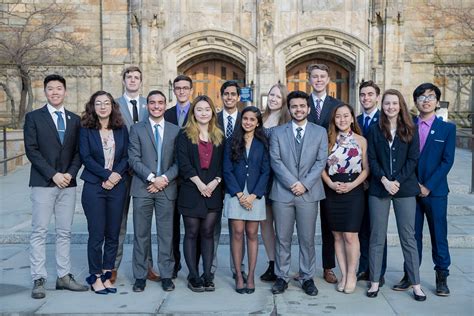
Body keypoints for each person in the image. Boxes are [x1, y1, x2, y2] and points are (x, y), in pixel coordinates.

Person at [24, 74, 88, 299]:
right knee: (39, 231)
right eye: (50, 89)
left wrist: (69, 174)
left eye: (59, 88)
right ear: (45, 92)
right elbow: (32, 150)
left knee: (64, 232)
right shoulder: (34, 117)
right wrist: (53, 174)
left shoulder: (74, 119)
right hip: (43, 182)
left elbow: (79, 152)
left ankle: (64, 276)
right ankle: (38, 278)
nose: (55, 92)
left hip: (68, 185)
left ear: (65, 91)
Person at [392, 83, 456, 296]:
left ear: (437, 102)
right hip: (411, 191)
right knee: (412, 236)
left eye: (430, 97)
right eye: (421, 97)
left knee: (439, 235)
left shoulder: (448, 128)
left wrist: (428, 186)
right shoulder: (407, 126)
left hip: (435, 192)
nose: (426, 100)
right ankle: (410, 274)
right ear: (415, 101)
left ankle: (442, 276)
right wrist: (414, 184)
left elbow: (447, 161)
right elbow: (403, 159)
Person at [366, 89, 426, 301]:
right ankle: (374, 282)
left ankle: (416, 284)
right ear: (382, 106)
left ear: (400, 105)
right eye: (387, 103)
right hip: (379, 187)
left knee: (408, 236)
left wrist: (397, 181)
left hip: (405, 188)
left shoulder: (411, 129)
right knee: (376, 236)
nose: (390, 107)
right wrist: (384, 180)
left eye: (394, 103)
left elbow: (413, 159)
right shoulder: (374, 130)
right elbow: (371, 159)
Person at [270, 90, 328, 296]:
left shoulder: (320, 132)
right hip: (282, 194)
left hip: (308, 193)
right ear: (289, 108)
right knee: (282, 238)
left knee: (307, 238)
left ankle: (307, 277)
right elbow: (275, 160)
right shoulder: (278, 132)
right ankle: (282, 277)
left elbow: (321, 161)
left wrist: (304, 184)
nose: (298, 109)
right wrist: (292, 183)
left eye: (302, 106)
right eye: (294, 106)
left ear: (308, 108)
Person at [129, 90, 180, 293]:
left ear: (165, 105)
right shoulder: (136, 129)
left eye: (160, 103)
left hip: (167, 189)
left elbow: (179, 162)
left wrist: (164, 179)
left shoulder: (175, 130)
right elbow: (133, 158)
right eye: (152, 103)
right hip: (142, 188)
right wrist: (152, 178)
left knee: (166, 234)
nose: (156, 106)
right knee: (141, 234)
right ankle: (140, 275)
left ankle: (166, 274)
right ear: (147, 105)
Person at [79, 91, 129, 294]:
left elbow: (126, 155)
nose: (102, 106)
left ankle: (108, 274)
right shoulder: (86, 129)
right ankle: (96, 276)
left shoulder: (121, 128)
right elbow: (86, 156)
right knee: (96, 233)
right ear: (93, 107)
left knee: (113, 234)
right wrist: (106, 175)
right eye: (98, 103)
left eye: (106, 103)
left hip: (117, 187)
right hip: (94, 187)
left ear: (112, 106)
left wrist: (116, 174)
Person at [113, 66, 157, 284]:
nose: (132, 80)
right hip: (121, 170)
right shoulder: (114, 105)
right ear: (123, 80)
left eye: (136, 77)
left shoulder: (149, 104)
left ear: (141, 81)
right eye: (129, 77)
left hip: (143, 172)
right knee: (118, 222)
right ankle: (112, 266)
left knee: (144, 223)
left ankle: (147, 265)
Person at [177, 95, 224, 292]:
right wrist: (199, 183)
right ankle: (194, 276)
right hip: (191, 190)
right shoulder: (184, 135)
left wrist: (214, 183)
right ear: (193, 113)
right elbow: (184, 163)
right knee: (192, 232)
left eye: (207, 109)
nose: (203, 113)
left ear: (212, 112)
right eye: (199, 109)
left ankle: (207, 275)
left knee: (207, 233)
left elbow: (223, 164)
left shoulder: (220, 136)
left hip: (213, 190)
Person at [321, 104, 368, 294]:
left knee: (350, 235)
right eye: (338, 116)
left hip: (354, 190)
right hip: (332, 190)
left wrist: (352, 185)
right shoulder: (328, 140)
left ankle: (352, 274)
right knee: (337, 236)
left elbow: (366, 169)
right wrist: (331, 185)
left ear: (352, 118)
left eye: (346, 116)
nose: (342, 119)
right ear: (334, 119)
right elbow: (320, 168)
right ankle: (343, 274)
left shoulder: (361, 140)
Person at [223, 106, 271, 294]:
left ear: (258, 122)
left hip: (255, 194)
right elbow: (226, 169)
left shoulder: (263, 142)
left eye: (252, 119)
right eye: (245, 119)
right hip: (236, 193)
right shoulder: (231, 141)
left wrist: (253, 195)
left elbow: (266, 170)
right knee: (237, 232)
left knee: (252, 234)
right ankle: (239, 275)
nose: (248, 122)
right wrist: (240, 194)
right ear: (241, 120)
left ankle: (250, 275)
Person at [306, 63, 342, 284]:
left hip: (330, 172)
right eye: (315, 76)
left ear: (328, 79)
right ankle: (305, 267)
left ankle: (328, 266)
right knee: (306, 224)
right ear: (309, 79)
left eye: (322, 76)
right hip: (305, 172)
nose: (318, 80)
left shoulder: (337, 106)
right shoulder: (301, 103)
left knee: (328, 223)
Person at [356, 80, 387, 286]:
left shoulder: (386, 120)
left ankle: (379, 271)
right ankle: (364, 268)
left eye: (370, 94)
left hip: (378, 182)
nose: (366, 98)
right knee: (361, 228)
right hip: (357, 183)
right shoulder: (355, 120)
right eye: (363, 95)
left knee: (377, 229)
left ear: (377, 97)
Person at [214, 80, 246, 282]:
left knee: (238, 229)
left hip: (239, 181)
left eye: (233, 94)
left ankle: (238, 267)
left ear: (239, 97)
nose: (229, 97)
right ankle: (210, 266)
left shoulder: (246, 119)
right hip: (214, 180)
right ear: (221, 96)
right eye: (226, 94)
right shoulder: (213, 119)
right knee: (212, 227)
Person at [260, 83, 290, 282]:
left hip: (279, 177)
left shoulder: (286, 121)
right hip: (261, 177)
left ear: (284, 100)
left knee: (282, 225)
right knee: (265, 223)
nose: (273, 99)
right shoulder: (261, 118)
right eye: (271, 95)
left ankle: (282, 264)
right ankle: (271, 262)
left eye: (278, 97)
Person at [164, 75, 193, 278]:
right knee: (172, 225)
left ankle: (195, 266)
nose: (181, 91)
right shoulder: (165, 114)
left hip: (193, 179)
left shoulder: (199, 111)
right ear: (174, 91)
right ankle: (173, 264)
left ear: (191, 90)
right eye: (178, 88)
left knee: (194, 227)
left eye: (185, 88)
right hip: (171, 177)